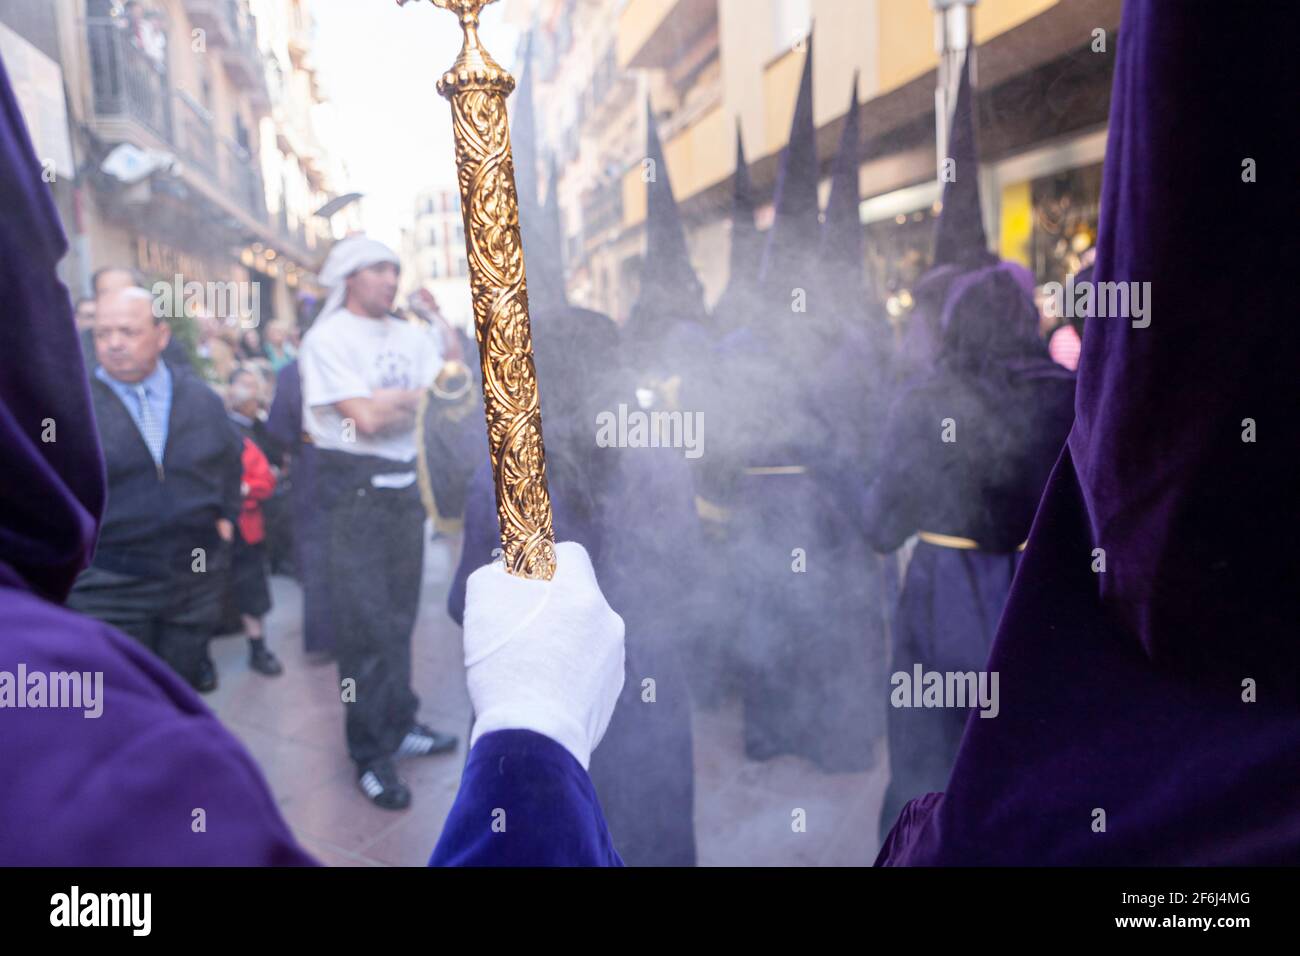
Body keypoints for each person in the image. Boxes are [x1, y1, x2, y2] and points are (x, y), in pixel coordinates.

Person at [448, 306, 698, 866]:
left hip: (536, 717)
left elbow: (468, 606)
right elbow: (690, 579)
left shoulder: (504, 471)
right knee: (649, 839)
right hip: (643, 695)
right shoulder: (660, 455)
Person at [863, 261, 1076, 839]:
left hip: (940, 595)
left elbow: (880, 526)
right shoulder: (1067, 396)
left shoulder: (923, 399)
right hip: (1036, 597)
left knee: (927, 764)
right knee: (1026, 755)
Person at [298, 236, 458, 810]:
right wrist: (411, 397)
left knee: (398, 619)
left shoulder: (410, 334)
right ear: (349, 277)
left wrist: (396, 397)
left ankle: (400, 723)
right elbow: (362, 419)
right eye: (377, 270)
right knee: (364, 631)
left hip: (403, 492)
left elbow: (450, 386)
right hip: (354, 496)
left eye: (395, 268)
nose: (391, 279)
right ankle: (370, 755)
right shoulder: (327, 339)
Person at [65, 287, 243, 694]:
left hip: (192, 581)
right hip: (108, 586)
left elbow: (229, 463)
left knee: (177, 698)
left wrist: (225, 523)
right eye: (103, 333)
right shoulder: (72, 405)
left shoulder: (199, 400)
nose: (113, 344)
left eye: (128, 332)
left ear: (161, 336)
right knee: (121, 706)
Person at [226, 367, 284, 676]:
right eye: (241, 386)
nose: (247, 393)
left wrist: (244, 489)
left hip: (249, 524)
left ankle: (257, 648)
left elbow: (265, 477)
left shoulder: (257, 431)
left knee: (251, 585)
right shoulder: (218, 429)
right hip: (213, 526)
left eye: (253, 387)